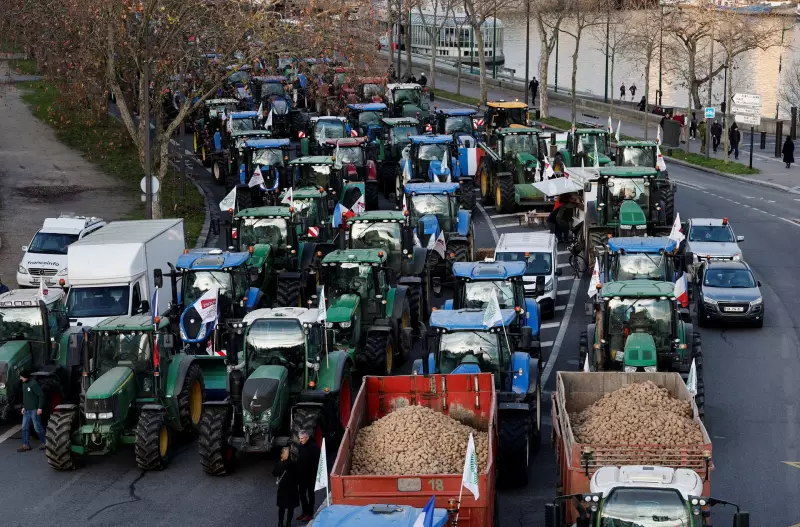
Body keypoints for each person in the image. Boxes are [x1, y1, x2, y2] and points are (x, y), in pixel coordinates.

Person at [18, 370, 46, 452]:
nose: (20, 378)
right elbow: (26, 397)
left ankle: (47, 443)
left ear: (25, 376)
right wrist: (24, 407)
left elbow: (41, 396)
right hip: (27, 410)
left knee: (37, 428)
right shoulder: (24, 384)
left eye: (21, 376)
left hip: (34, 410)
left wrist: (40, 408)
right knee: (24, 428)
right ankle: (25, 445)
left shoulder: (33, 384)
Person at [296, 430, 321, 522]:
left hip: (311, 476)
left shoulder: (315, 447)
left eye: (302, 438)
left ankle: (310, 513)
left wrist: (316, 476)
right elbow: (300, 460)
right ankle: (304, 512)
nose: (301, 440)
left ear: (307, 437)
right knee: (302, 494)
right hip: (302, 476)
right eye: (300, 438)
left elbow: (318, 462)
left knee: (311, 495)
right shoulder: (300, 446)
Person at [273, 447, 299, 527]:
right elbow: (298, 475)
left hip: (283, 488)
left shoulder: (279, 464)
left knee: (282, 507)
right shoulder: (294, 464)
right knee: (291, 508)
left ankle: (280, 523)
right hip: (292, 488)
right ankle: (288, 523)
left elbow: (274, 473)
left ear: (283, 454)